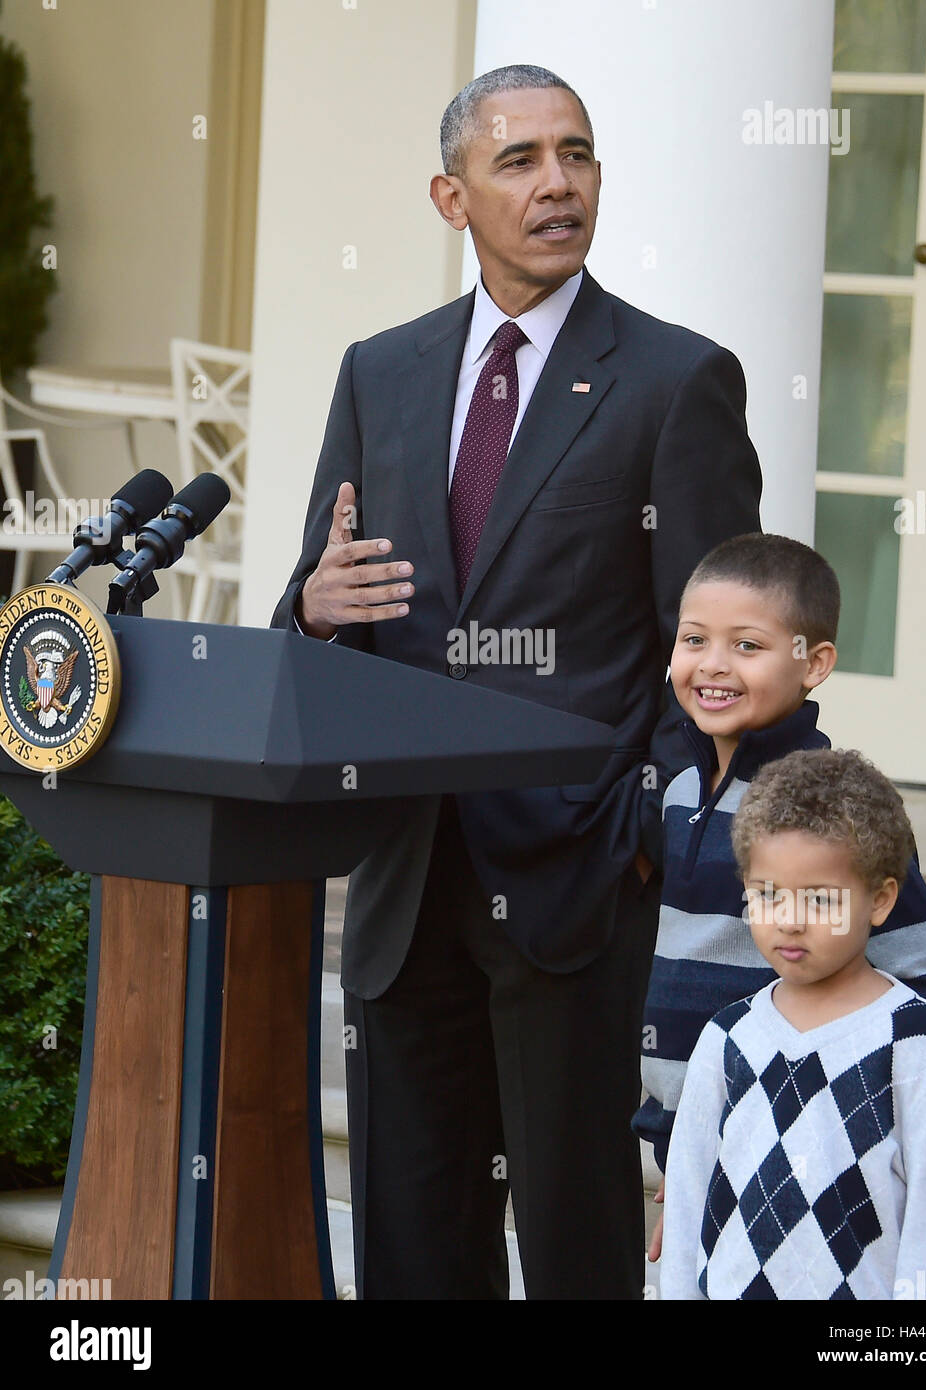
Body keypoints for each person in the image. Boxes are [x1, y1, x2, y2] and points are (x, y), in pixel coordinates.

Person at [271, 64, 761, 1298]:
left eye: (577, 156)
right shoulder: (377, 370)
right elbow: (316, 600)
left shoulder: (674, 379)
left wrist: (643, 826)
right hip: (403, 875)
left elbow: (718, 650)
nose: (559, 184)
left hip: (575, 883)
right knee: (412, 1239)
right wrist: (311, 610)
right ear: (452, 196)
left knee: (574, 1239)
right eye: (521, 160)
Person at [634, 533, 926, 1263]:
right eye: (694, 639)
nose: (714, 663)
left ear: (813, 663)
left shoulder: (827, 810)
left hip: (804, 1148)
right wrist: (681, 1148)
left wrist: (846, 1116)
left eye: (747, 645)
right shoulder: (680, 790)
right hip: (701, 1134)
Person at [659, 747, 926, 1300]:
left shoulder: (915, 1045)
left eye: (819, 899)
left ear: (880, 900)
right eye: (766, 894)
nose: (788, 919)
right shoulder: (728, 1039)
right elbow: (688, 1211)